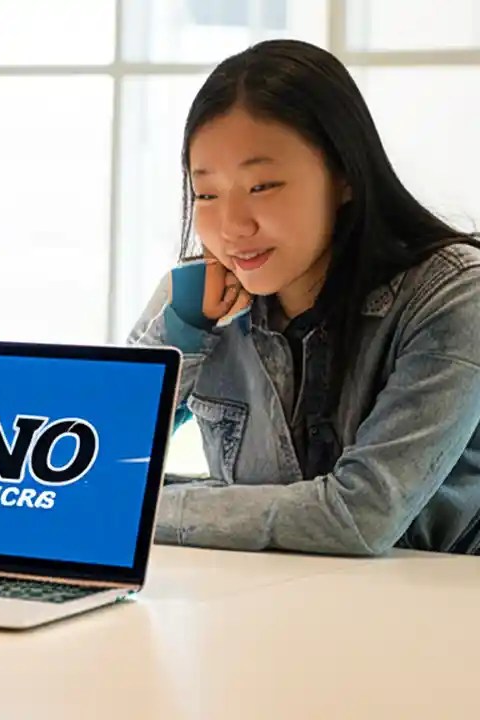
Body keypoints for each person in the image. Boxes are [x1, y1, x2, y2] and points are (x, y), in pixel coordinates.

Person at [128, 39, 480, 556]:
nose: (232, 226)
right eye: (206, 194)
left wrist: (136, 508)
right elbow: (100, 456)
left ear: (344, 176)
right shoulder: (198, 296)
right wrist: (182, 333)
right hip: (265, 593)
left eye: (262, 186)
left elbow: (359, 516)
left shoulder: (452, 295)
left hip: (433, 598)